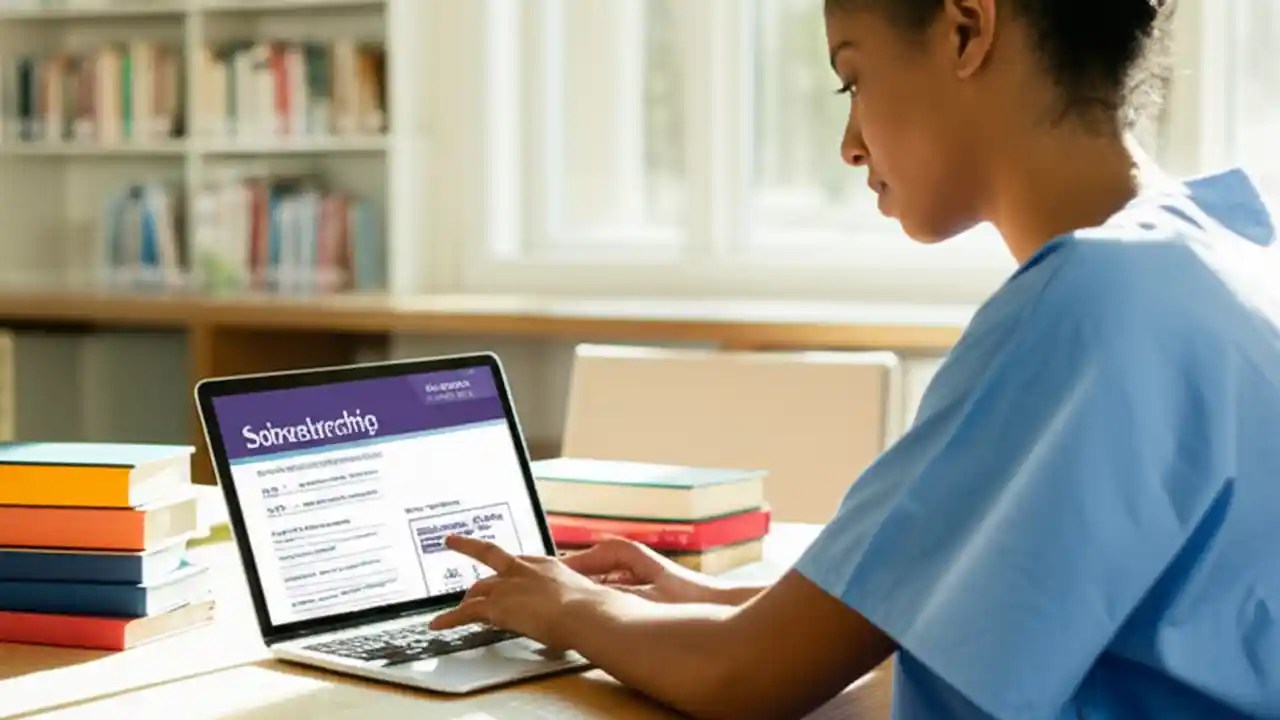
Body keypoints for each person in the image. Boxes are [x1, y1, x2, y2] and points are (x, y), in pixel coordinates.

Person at [431, 0, 1280, 717]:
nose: (848, 142)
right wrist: (723, 602)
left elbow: (746, 677)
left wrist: (566, 605)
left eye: (854, 78)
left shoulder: (1089, 301)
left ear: (964, 31)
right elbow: (989, 616)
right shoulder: (1218, 253)